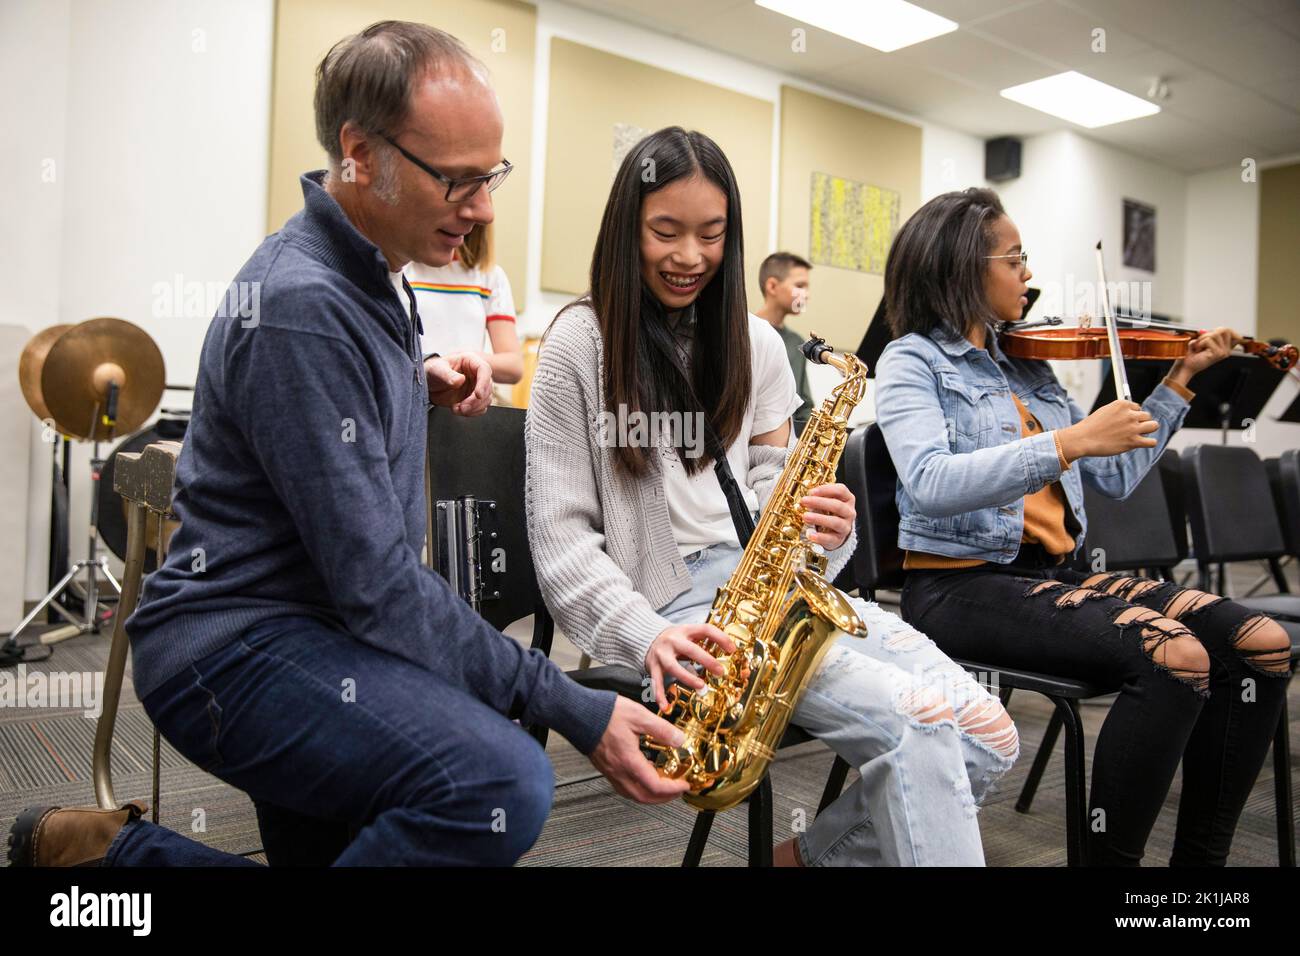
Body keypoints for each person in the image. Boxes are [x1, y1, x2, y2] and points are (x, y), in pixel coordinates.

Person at [8, 20, 685, 869]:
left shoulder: (373, 271)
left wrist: (414, 378)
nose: (481, 210)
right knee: (499, 782)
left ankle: (99, 857)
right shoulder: (304, 304)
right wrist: (574, 706)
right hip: (233, 649)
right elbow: (381, 590)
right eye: (458, 181)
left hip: (319, 636)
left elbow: (332, 426)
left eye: (492, 177)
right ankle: (124, 861)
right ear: (360, 153)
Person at [525, 127, 1019, 868]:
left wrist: (826, 528)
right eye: (665, 231)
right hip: (669, 607)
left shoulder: (756, 345)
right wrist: (645, 636)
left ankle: (804, 859)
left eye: (712, 235)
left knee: (991, 731)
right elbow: (560, 544)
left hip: (771, 589)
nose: (690, 256)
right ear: (627, 228)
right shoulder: (579, 343)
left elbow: (771, 496)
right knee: (919, 725)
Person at [875, 186, 1293, 867]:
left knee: (1260, 644)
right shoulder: (912, 361)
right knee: (1174, 654)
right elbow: (929, 481)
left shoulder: (1032, 363)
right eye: (1015, 259)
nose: (1029, 274)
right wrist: (1066, 442)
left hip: (1055, 576)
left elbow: (1117, 475)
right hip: (960, 588)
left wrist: (1180, 380)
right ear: (961, 266)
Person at [406, 220, 525, 388]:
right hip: (415, 397)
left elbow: (513, 366)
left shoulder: (490, 276)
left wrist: (464, 359)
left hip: (463, 400)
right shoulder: (403, 271)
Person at [754, 252, 815, 433]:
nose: (807, 295)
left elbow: (804, 405)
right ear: (772, 286)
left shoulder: (798, 342)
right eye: (800, 285)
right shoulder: (744, 332)